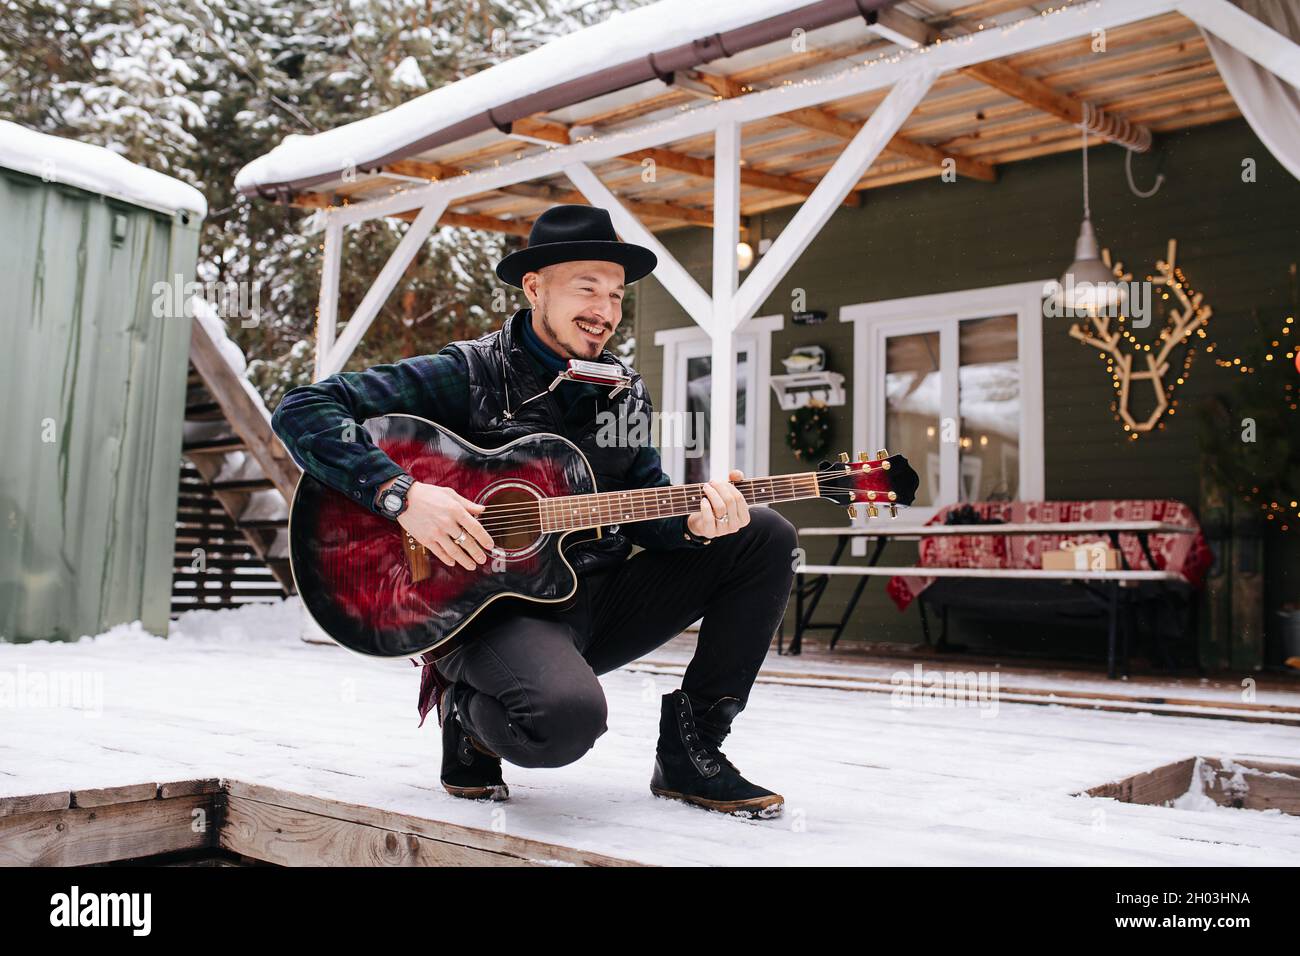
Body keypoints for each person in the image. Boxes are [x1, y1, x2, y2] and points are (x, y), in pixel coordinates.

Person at [272, 204, 797, 819]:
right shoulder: (468, 373)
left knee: (765, 535)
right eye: (587, 288)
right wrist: (405, 496)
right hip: (488, 611)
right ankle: (466, 716)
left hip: (593, 597)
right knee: (564, 724)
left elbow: (646, 511)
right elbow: (304, 408)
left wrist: (693, 525)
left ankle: (692, 748)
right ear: (534, 287)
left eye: (617, 295)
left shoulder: (620, 393)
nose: (605, 311)